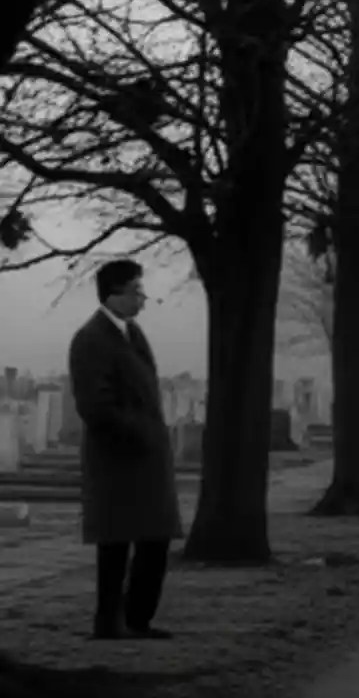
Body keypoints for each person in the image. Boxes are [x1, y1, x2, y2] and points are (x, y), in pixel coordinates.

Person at [69, 259, 183, 640]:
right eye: (136, 290)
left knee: (154, 539)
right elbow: (95, 405)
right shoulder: (92, 339)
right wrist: (138, 434)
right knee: (116, 544)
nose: (143, 298)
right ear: (113, 293)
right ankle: (109, 621)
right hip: (118, 459)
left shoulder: (132, 333)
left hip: (146, 458)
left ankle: (138, 618)